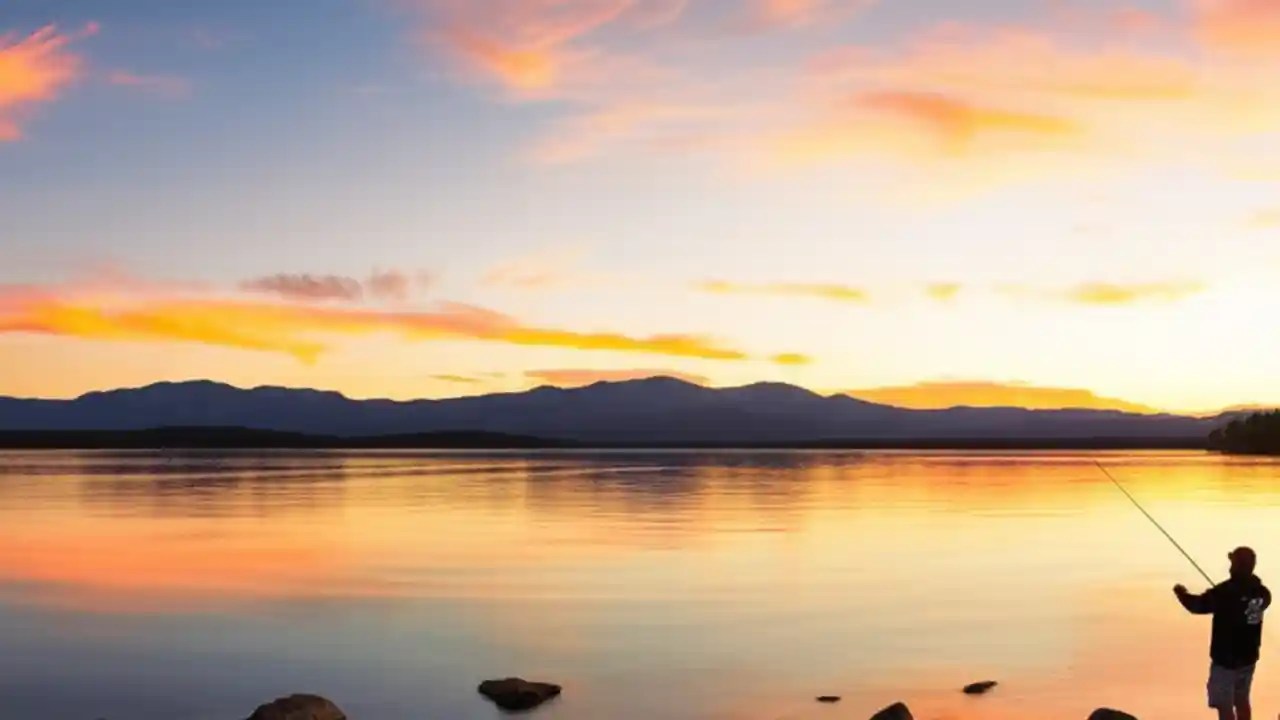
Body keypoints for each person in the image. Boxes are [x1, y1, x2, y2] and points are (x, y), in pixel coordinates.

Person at [1174, 546, 1272, 720]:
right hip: (1248, 658)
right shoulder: (1263, 594)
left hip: (1226, 661)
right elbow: (1252, 604)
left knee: (1224, 704)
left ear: (1237, 566)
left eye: (1233, 563)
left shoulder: (1224, 593)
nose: (1230, 567)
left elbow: (1197, 606)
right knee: (1242, 700)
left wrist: (1181, 593)